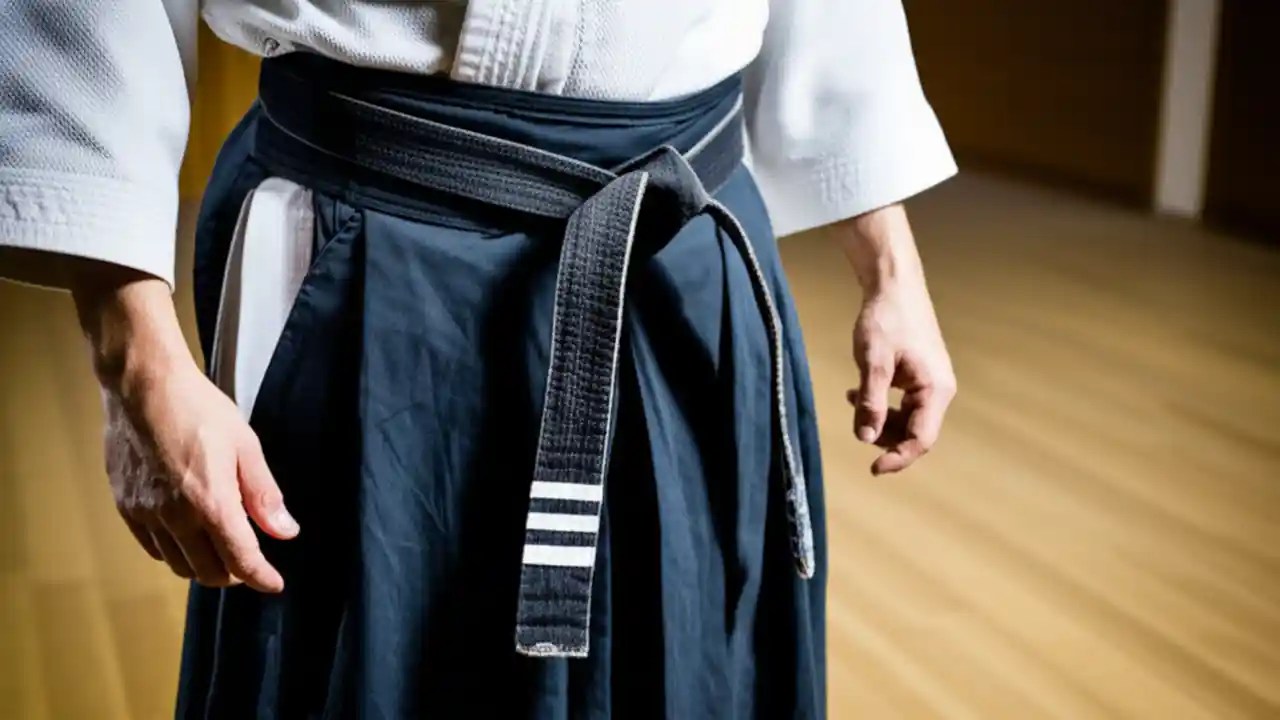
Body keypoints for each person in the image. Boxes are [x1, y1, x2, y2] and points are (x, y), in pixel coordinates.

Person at [0, 1, 958, 717]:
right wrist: (135, 358)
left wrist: (892, 263)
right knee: (361, 674)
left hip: (683, 243)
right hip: (369, 225)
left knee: (691, 671)